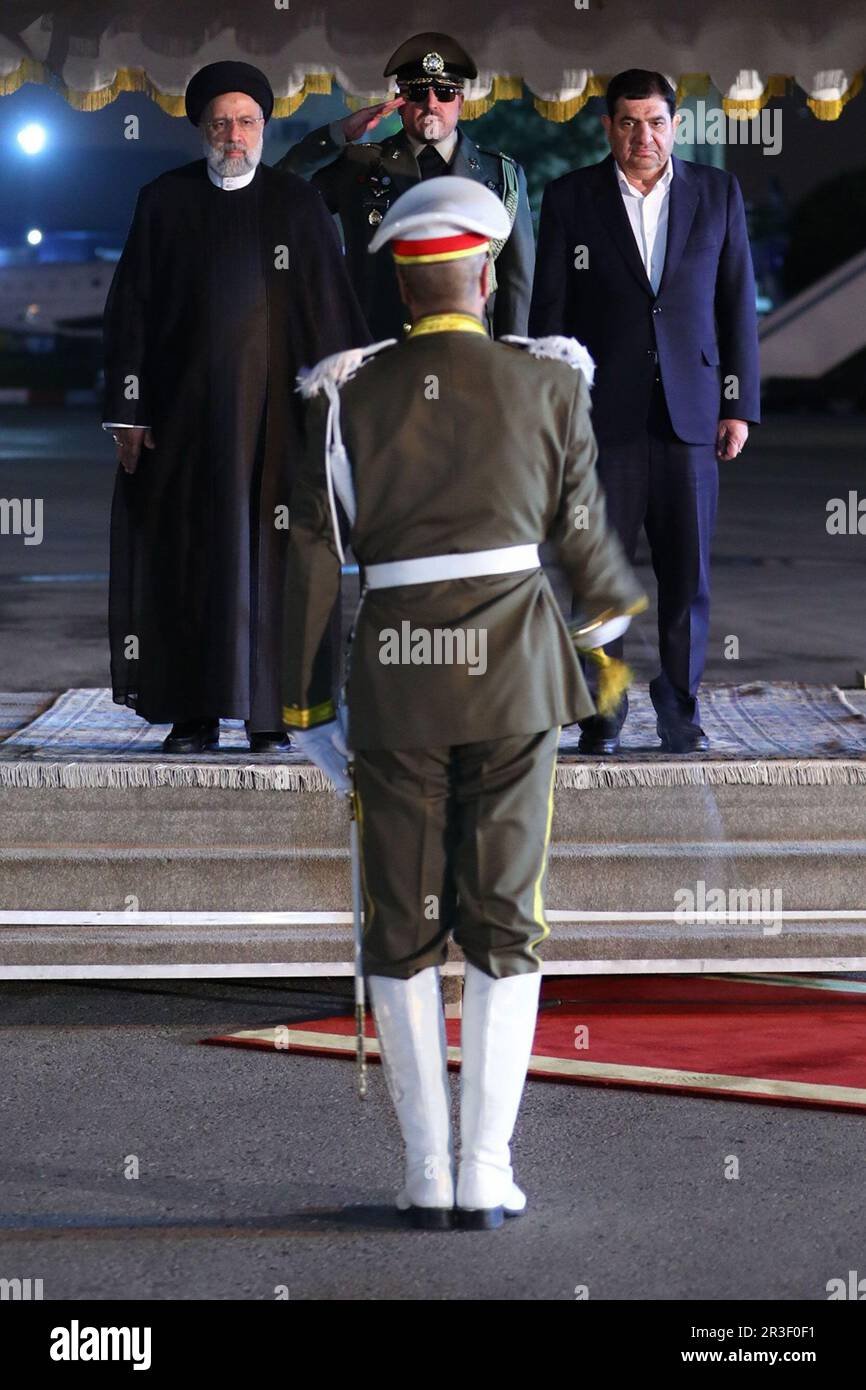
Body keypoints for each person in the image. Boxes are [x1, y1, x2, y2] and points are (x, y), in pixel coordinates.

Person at [281, 178, 646, 1229]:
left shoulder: (344, 393)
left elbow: (312, 555)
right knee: (505, 920)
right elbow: (583, 540)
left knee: (397, 924)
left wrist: (307, 710)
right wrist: (601, 647)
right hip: (519, 678)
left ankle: (423, 1171)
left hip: (395, 679)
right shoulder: (549, 384)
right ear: (485, 278)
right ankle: (486, 1169)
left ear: (401, 286)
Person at [102, 60, 369, 753]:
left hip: (277, 428)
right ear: (200, 129)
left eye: (246, 122)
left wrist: (337, 414)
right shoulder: (164, 200)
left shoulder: (296, 203)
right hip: (184, 426)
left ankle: (271, 715)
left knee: (277, 565)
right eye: (220, 123)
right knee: (188, 562)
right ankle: (194, 714)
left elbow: (330, 313)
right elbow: (130, 308)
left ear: (263, 127)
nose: (233, 135)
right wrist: (129, 414)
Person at [530, 69, 761, 755]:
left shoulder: (717, 194)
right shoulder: (571, 198)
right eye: (628, 123)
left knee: (686, 575)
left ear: (675, 126)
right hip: (602, 423)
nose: (643, 136)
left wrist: (738, 405)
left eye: (656, 122)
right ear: (608, 128)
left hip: (692, 416)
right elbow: (550, 316)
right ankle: (602, 708)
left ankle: (680, 706)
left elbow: (736, 304)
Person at [276, 31, 534, 341]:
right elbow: (283, 192)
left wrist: (510, 362)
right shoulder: (360, 165)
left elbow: (517, 284)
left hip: (470, 354)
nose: (432, 103)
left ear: (461, 102)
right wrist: (338, 134)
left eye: (445, 93)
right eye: (418, 93)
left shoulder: (501, 174)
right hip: (380, 351)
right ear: (400, 102)